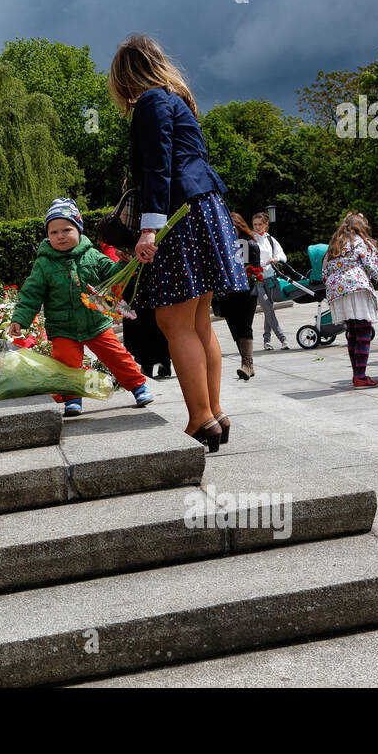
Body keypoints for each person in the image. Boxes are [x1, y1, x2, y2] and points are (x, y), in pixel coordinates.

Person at [108, 34, 248, 451]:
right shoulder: (177, 98)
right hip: (206, 208)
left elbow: (157, 167)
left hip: (178, 214)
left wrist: (149, 229)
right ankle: (215, 413)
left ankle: (200, 419)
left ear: (127, 73)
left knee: (175, 323)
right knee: (200, 321)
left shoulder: (151, 102)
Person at [7, 197, 154, 416]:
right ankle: (72, 399)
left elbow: (112, 277)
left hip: (95, 323)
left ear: (78, 229)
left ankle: (138, 386)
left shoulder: (92, 255)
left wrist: (124, 263)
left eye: (66, 229)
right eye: (53, 232)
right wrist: (19, 318)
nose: (60, 236)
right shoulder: (44, 263)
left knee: (117, 356)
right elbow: (31, 293)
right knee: (66, 365)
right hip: (63, 328)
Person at [322, 212, 378, 388]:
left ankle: (357, 374)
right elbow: (377, 268)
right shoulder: (361, 242)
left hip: (337, 292)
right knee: (364, 333)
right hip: (357, 289)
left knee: (353, 333)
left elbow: (324, 271)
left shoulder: (335, 244)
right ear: (361, 226)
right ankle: (360, 376)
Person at [217, 213, 261, 380]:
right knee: (235, 328)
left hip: (246, 294)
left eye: (231, 228)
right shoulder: (222, 246)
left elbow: (256, 272)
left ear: (239, 227)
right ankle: (247, 364)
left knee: (244, 326)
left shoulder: (250, 245)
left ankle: (247, 364)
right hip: (227, 294)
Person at [251, 211, 289, 350]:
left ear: (266, 225)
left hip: (271, 280)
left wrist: (276, 259)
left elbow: (283, 256)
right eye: (255, 224)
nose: (257, 227)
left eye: (260, 224)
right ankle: (283, 339)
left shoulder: (271, 240)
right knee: (268, 308)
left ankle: (266, 341)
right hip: (257, 280)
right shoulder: (249, 240)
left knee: (268, 310)